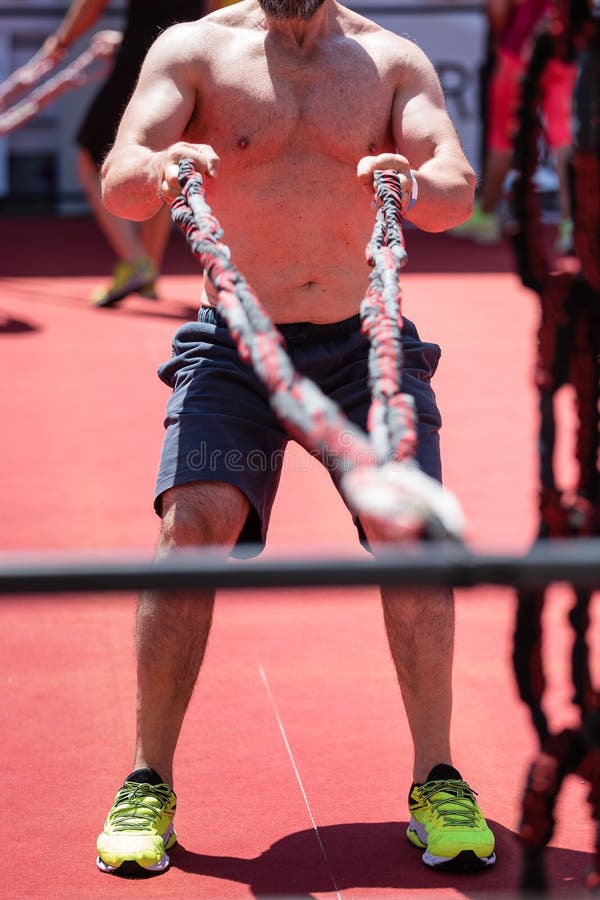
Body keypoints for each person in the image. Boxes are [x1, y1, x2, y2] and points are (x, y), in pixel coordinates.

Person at [95, 0, 497, 877]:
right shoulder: (197, 49)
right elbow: (121, 176)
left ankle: (438, 777)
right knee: (191, 526)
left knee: (413, 540)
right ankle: (146, 781)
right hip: (234, 348)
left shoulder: (390, 60)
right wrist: (164, 168)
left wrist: (415, 186)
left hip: (362, 345)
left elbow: (456, 190)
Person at [42, 0, 210, 307]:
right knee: (162, 161)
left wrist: (61, 41)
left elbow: (92, 4)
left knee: (90, 160)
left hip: (144, 59)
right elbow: (208, 10)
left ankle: (136, 262)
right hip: (189, 57)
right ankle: (149, 272)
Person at [451, 0, 577, 248]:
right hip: (561, 56)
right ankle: (572, 224)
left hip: (519, 53)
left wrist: (500, 41)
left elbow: (498, 8)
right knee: (564, 140)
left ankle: (487, 215)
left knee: (502, 140)